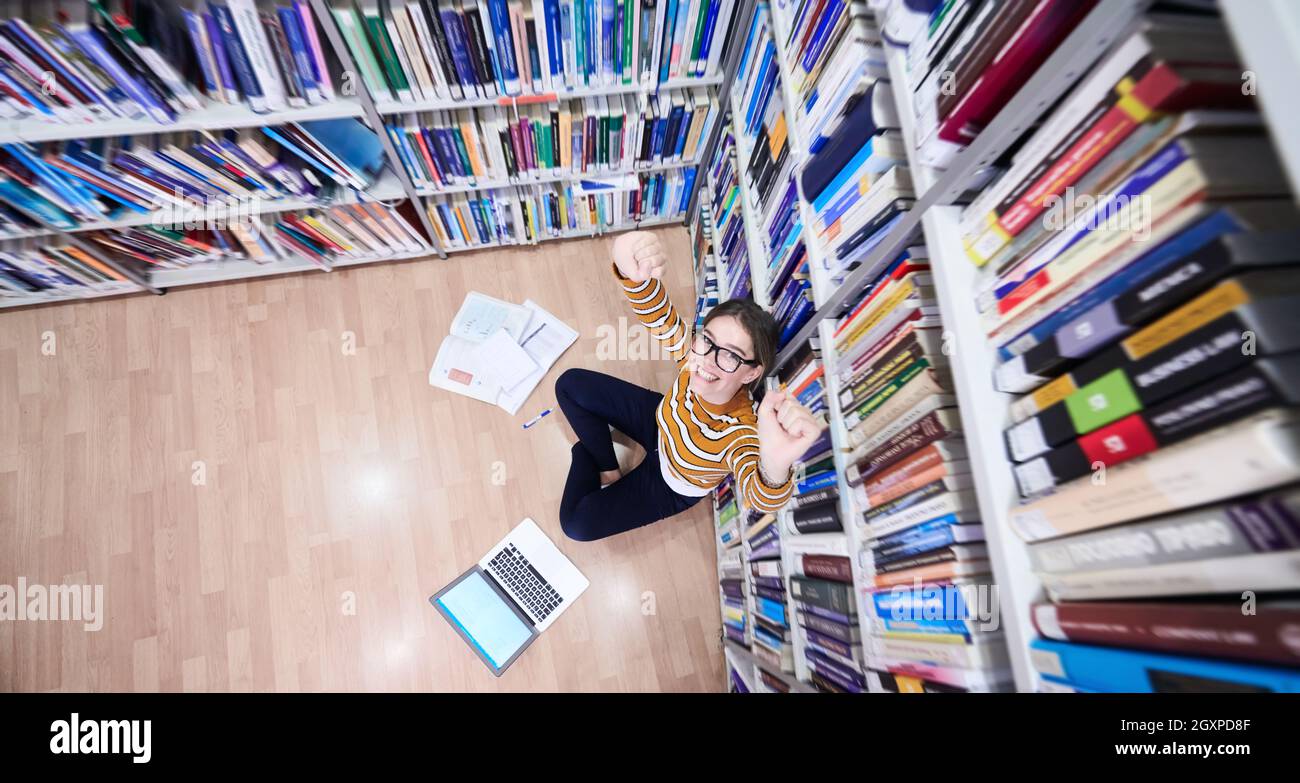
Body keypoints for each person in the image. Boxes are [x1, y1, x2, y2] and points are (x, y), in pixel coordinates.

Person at [555, 231, 824, 542]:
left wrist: (775, 468)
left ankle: (586, 451)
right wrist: (630, 269)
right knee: (570, 384)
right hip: (661, 421)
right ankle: (607, 466)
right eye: (707, 341)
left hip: (672, 484)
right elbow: (660, 318)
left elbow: (760, 497)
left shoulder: (741, 430)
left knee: (577, 524)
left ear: (752, 374)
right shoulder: (694, 354)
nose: (708, 360)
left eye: (731, 356)